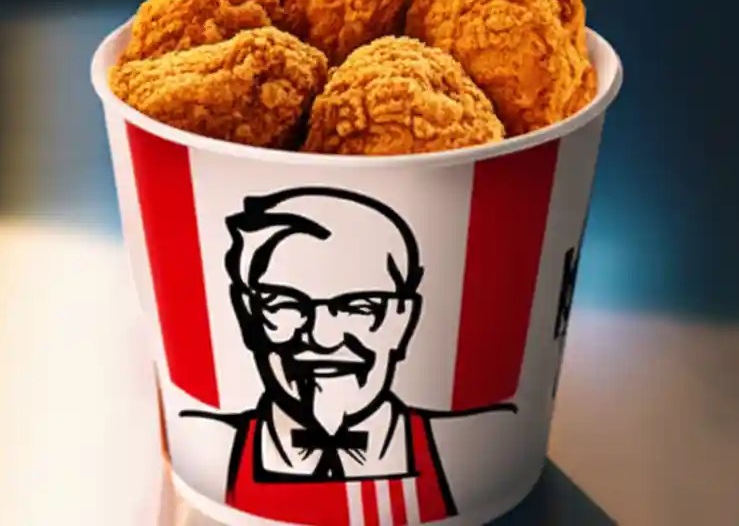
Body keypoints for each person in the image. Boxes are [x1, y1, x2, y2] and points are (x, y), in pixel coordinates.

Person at [182, 187, 513, 524]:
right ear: (248, 316)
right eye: (285, 305)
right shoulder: (205, 451)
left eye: (359, 307)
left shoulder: (477, 450)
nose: (323, 339)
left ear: (403, 319)